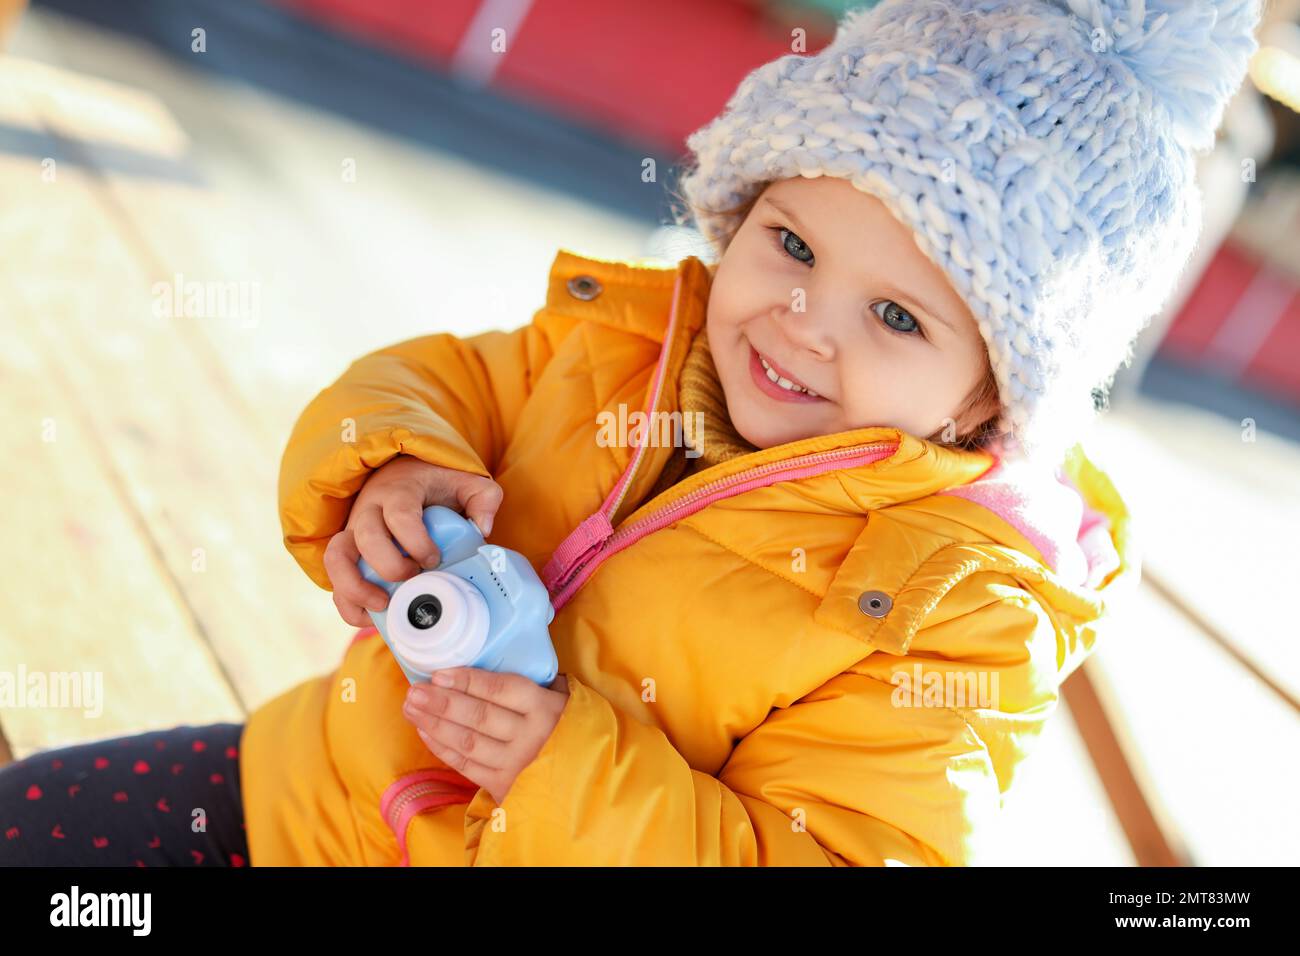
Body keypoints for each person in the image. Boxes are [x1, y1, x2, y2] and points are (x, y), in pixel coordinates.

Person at [0, 0, 1261, 866]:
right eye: (791, 243)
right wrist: (388, 463)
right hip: (309, 794)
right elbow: (438, 383)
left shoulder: (960, 612)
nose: (803, 323)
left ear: (991, 401)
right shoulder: (632, 342)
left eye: (892, 314)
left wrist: (563, 765)